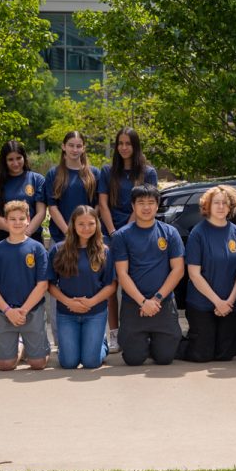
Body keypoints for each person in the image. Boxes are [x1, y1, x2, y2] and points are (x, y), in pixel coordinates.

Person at [111, 183, 186, 366]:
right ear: (133, 206)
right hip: (134, 304)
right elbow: (122, 274)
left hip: (163, 303)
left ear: (157, 204)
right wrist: (143, 302)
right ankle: (140, 342)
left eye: (151, 202)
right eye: (141, 202)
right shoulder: (122, 236)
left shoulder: (170, 232)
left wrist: (157, 299)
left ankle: (157, 342)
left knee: (165, 358)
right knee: (133, 359)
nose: (146, 207)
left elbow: (178, 270)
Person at [99, 127, 158, 355]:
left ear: (135, 146)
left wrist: (124, 232)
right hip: (109, 232)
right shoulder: (107, 171)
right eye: (120, 143)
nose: (124, 147)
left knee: (137, 282)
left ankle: (143, 331)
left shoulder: (148, 172)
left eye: (128, 143)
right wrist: (113, 232)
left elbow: (144, 204)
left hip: (137, 230)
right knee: (111, 285)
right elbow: (103, 204)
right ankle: (114, 333)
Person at [182, 184, 236, 363]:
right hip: (202, 303)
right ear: (207, 206)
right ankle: (170, 342)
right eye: (216, 203)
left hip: (230, 303)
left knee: (225, 355)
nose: (220, 207)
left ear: (231, 207)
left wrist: (229, 302)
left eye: (225, 203)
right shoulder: (198, 233)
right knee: (202, 355)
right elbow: (194, 274)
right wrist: (218, 302)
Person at [0, 200, 51, 371]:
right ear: (5, 221)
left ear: (29, 220)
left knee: (38, 364)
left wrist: (24, 310)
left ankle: (37, 348)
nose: (17, 222)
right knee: (6, 366)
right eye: (12, 219)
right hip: (4, 312)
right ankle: (20, 346)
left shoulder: (37, 249)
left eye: (21, 218)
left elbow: (42, 285)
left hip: (32, 310)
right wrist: (9, 311)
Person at [47, 205, 117, 370]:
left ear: (97, 225)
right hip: (66, 314)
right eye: (81, 224)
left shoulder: (104, 251)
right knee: (69, 362)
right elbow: (50, 285)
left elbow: (111, 285)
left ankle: (102, 343)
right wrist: (68, 302)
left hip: (95, 312)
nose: (86, 228)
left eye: (91, 223)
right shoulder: (58, 250)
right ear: (73, 225)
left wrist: (91, 302)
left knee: (90, 362)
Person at [0, 140, 47, 243]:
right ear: (4, 161)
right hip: (2, 237)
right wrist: (14, 231)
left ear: (24, 157)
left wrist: (26, 232)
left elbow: (41, 212)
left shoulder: (37, 180)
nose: (15, 163)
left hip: (32, 236)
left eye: (18, 158)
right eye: (10, 159)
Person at [44, 130, 99, 246]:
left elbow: (98, 205)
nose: (75, 150)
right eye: (71, 145)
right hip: (61, 237)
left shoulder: (94, 173)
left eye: (79, 146)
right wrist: (69, 233)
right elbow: (52, 208)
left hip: (88, 237)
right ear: (63, 146)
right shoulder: (53, 174)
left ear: (83, 148)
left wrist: (86, 230)